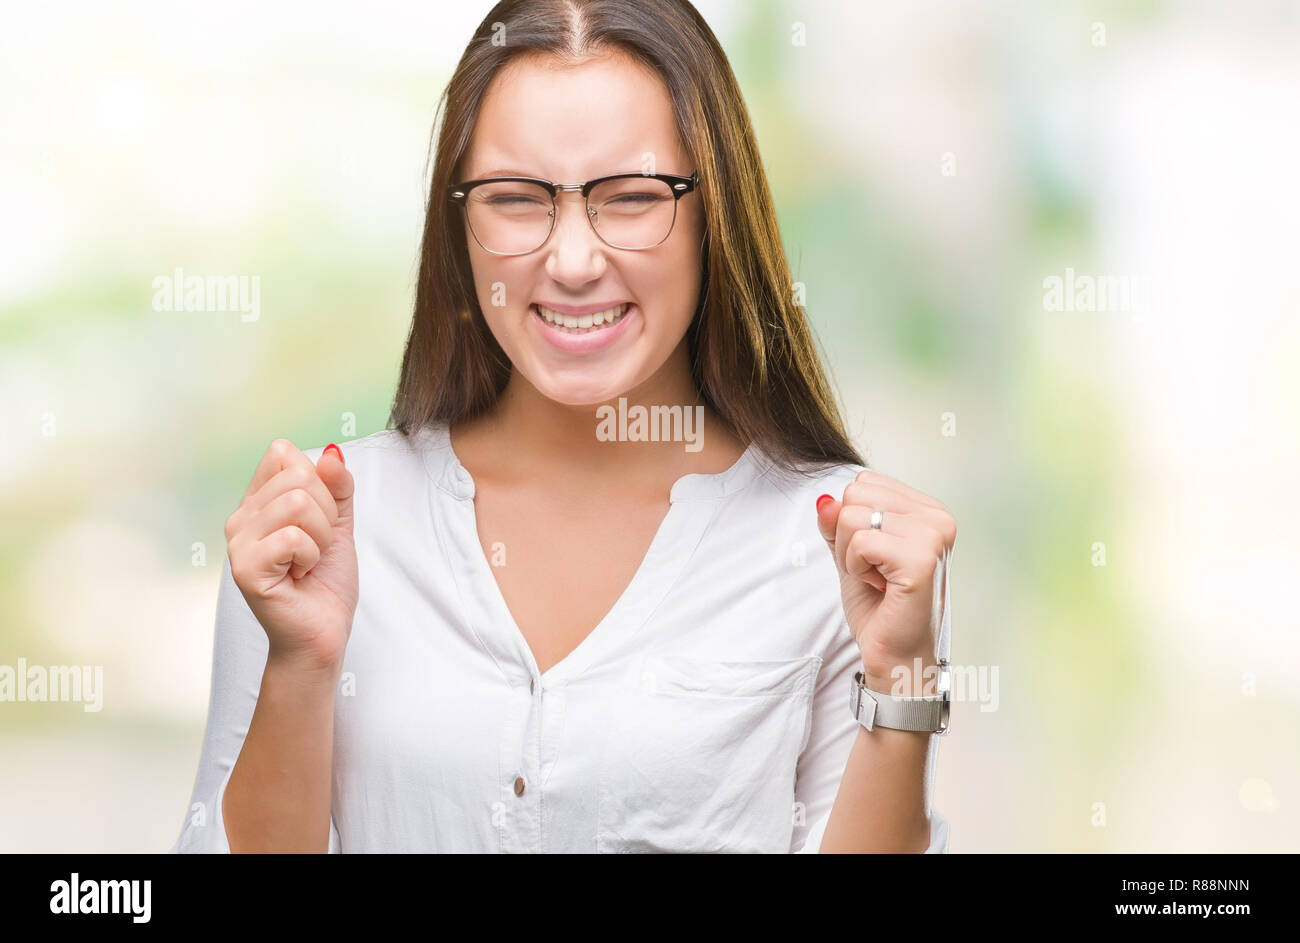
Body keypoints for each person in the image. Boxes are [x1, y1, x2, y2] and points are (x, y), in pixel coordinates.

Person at [172, 0, 956, 854]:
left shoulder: (838, 552)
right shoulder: (323, 534)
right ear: (458, 223)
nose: (574, 261)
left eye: (631, 197)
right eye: (516, 198)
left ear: (712, 214)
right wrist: (302, 663)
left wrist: (904, 683)